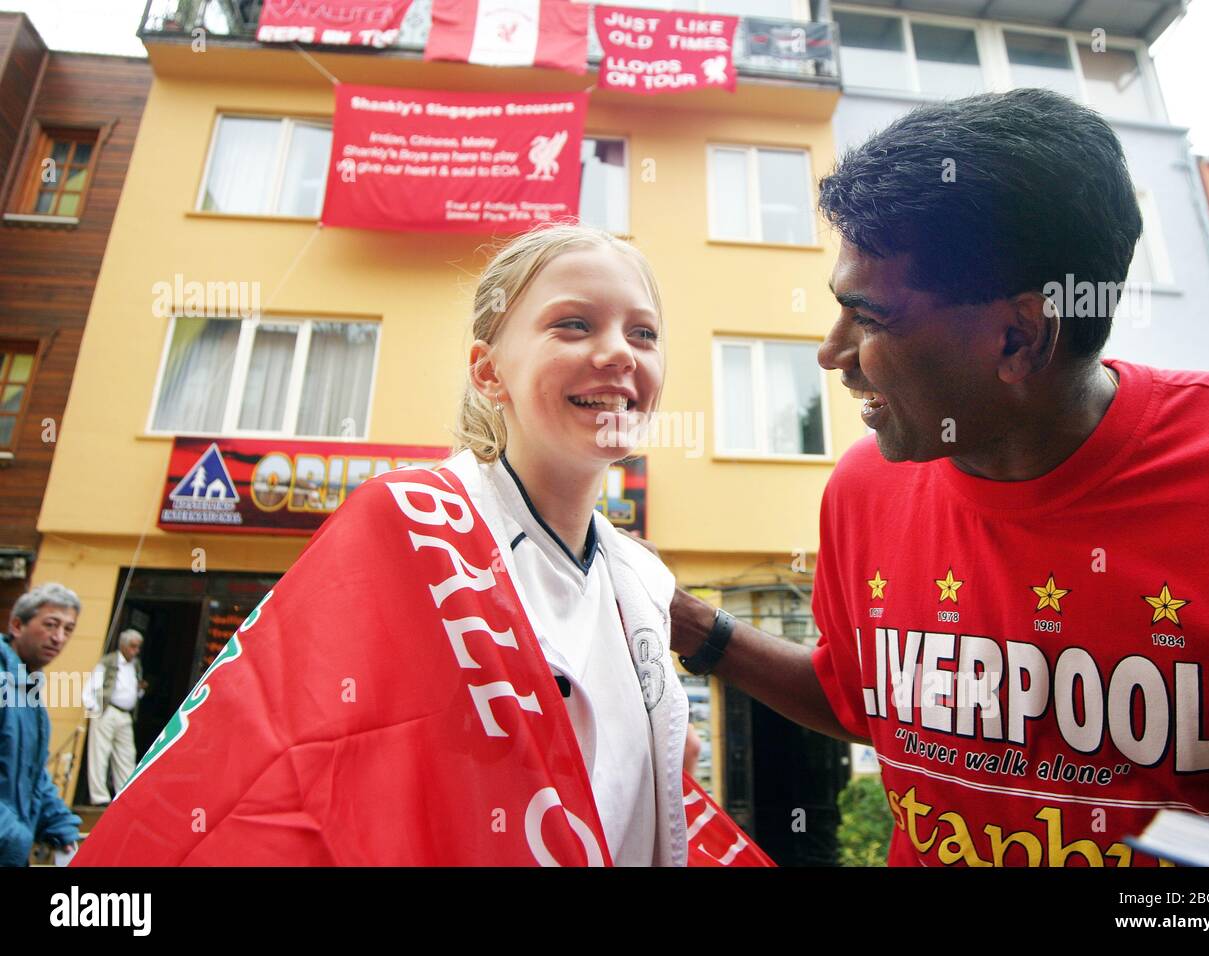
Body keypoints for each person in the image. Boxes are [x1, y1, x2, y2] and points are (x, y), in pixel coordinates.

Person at [667, 88, 1209, 866]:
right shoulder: (864, 486)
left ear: (1019, 338)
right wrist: (695, 629)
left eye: (868, 318)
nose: (831, 354)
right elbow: (863, 702)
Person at [74, 223, 764, 867]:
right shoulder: (407, 521)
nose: (617, 351)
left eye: (643, 334)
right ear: (489, 372)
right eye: (574, 324)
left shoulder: (642, 578)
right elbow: (278, 761)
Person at [1, 583, 83, 866]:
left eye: (68, 629)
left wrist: (60, 826)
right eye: (51, 625)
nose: (59, 637)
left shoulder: (30, 694)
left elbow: (34, 775)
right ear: (17, 625)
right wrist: (16, 836)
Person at [81, 629, 147, 805]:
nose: (136, 651)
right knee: (100, 753)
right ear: (123, 646)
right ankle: (99, 797)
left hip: (125, 715)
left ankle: (124, 797)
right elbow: (89, 690)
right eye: (133, 647)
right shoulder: (108, 662)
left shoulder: (136, 665)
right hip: (107, 711)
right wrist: (96, 710)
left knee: (127, 754)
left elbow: (134, 692)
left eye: (138, 647)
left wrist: (140, 690)